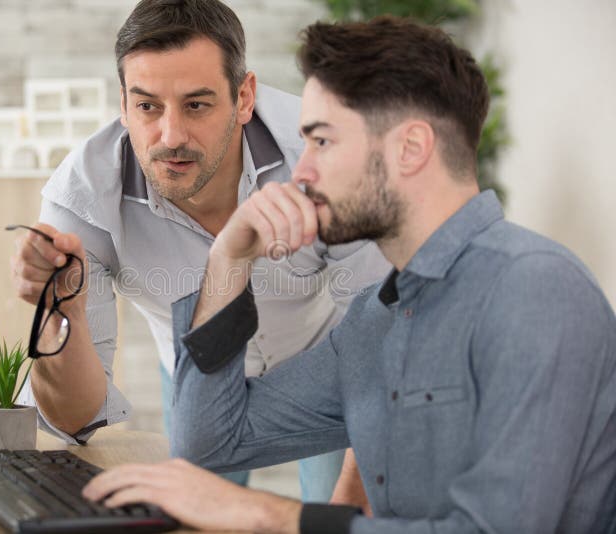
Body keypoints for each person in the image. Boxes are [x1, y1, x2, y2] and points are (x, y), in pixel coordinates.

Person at [82, 16, 616, 533]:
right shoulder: (375, 323)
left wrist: (272, 515)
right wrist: (227, 260)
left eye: (322, 141)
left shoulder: (535, 290)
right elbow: (210, 445)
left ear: (410, 149)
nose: (302, 170)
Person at [11, 0, 389, 503]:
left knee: (337, 509)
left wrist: (349, 508)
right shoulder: (82, 200)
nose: (171, 137)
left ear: (244, 96)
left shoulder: (327, 156)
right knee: (196, 516)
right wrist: (67, 317)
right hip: (194, 369)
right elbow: (73, 420)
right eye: (147, 106)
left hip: (328, 363)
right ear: (123, 104)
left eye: (197, 105)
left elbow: (383, 343)